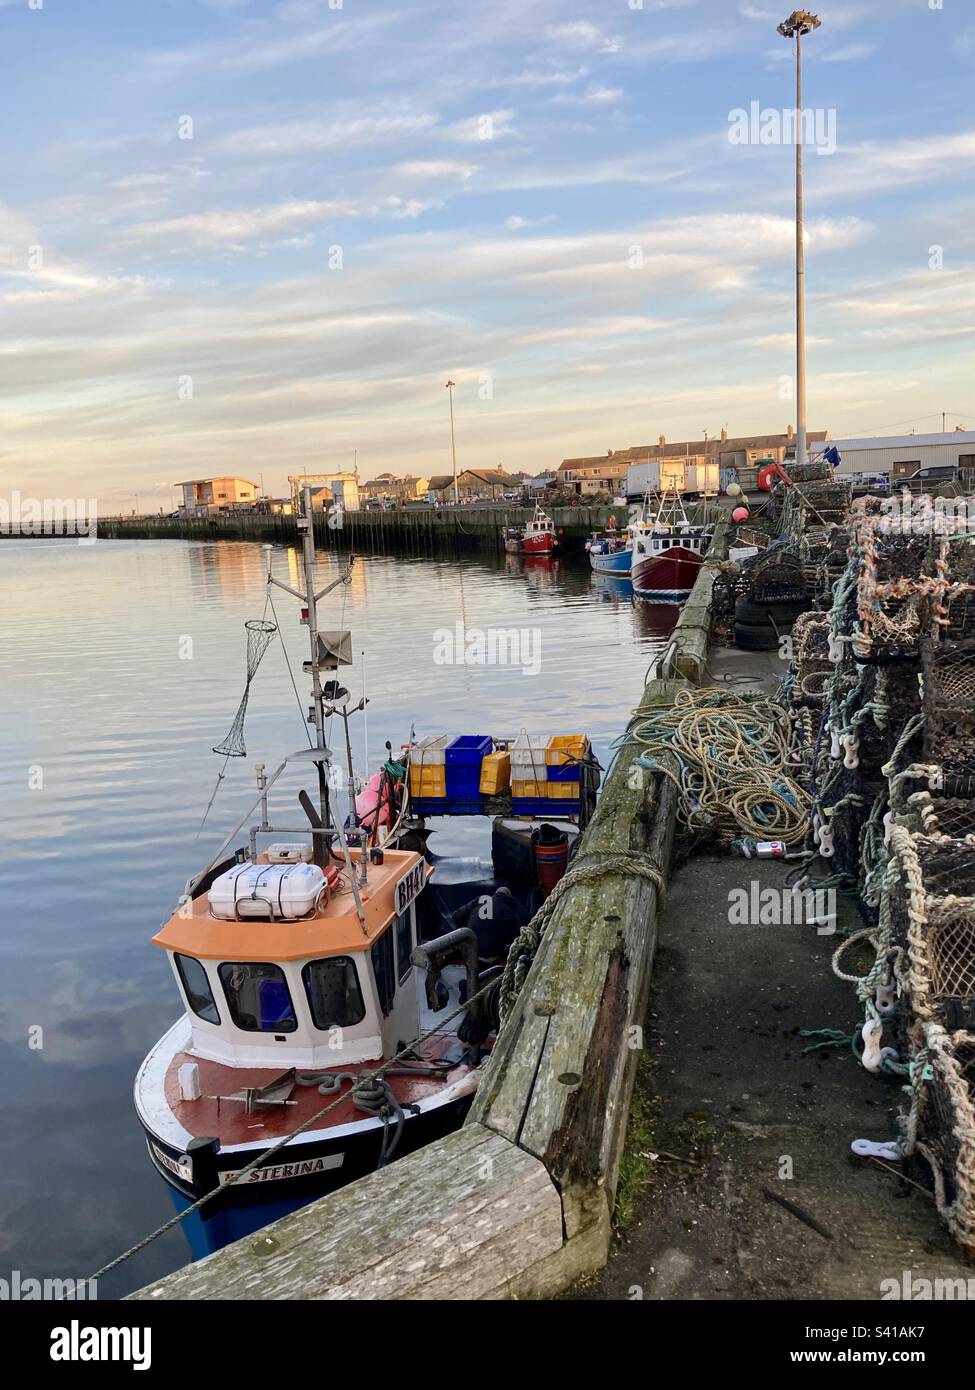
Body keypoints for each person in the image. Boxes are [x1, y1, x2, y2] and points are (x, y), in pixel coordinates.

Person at [450, 885, 522, 962]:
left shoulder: (481, 900)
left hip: (469, 949)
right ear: (510, 898)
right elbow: (517, 941)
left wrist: (467, 927)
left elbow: (456, 916)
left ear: (495, 894)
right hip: (490, 957)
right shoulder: (512, 914)